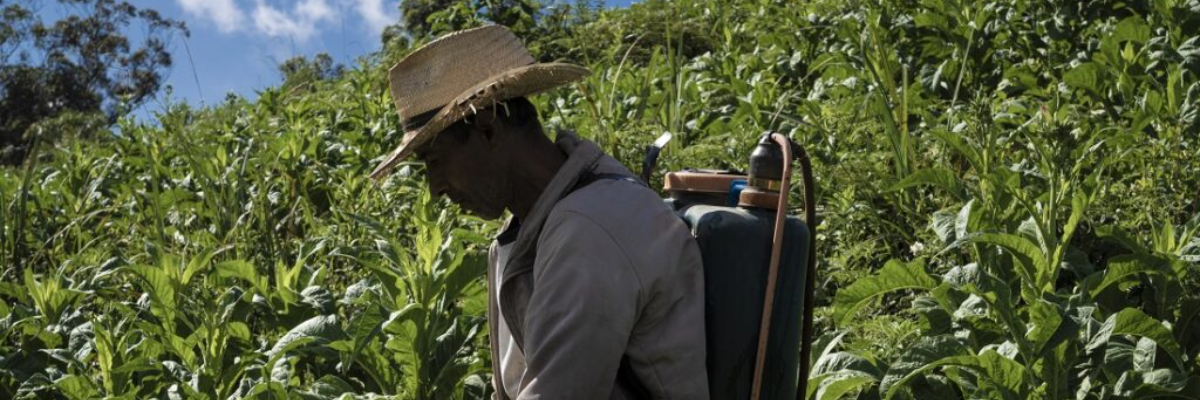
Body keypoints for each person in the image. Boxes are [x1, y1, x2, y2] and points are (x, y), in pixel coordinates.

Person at [370, 25, 709, 400]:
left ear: (487, 128)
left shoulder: (589, 229)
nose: (435, 188)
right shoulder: (528, 231)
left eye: (435, 160)